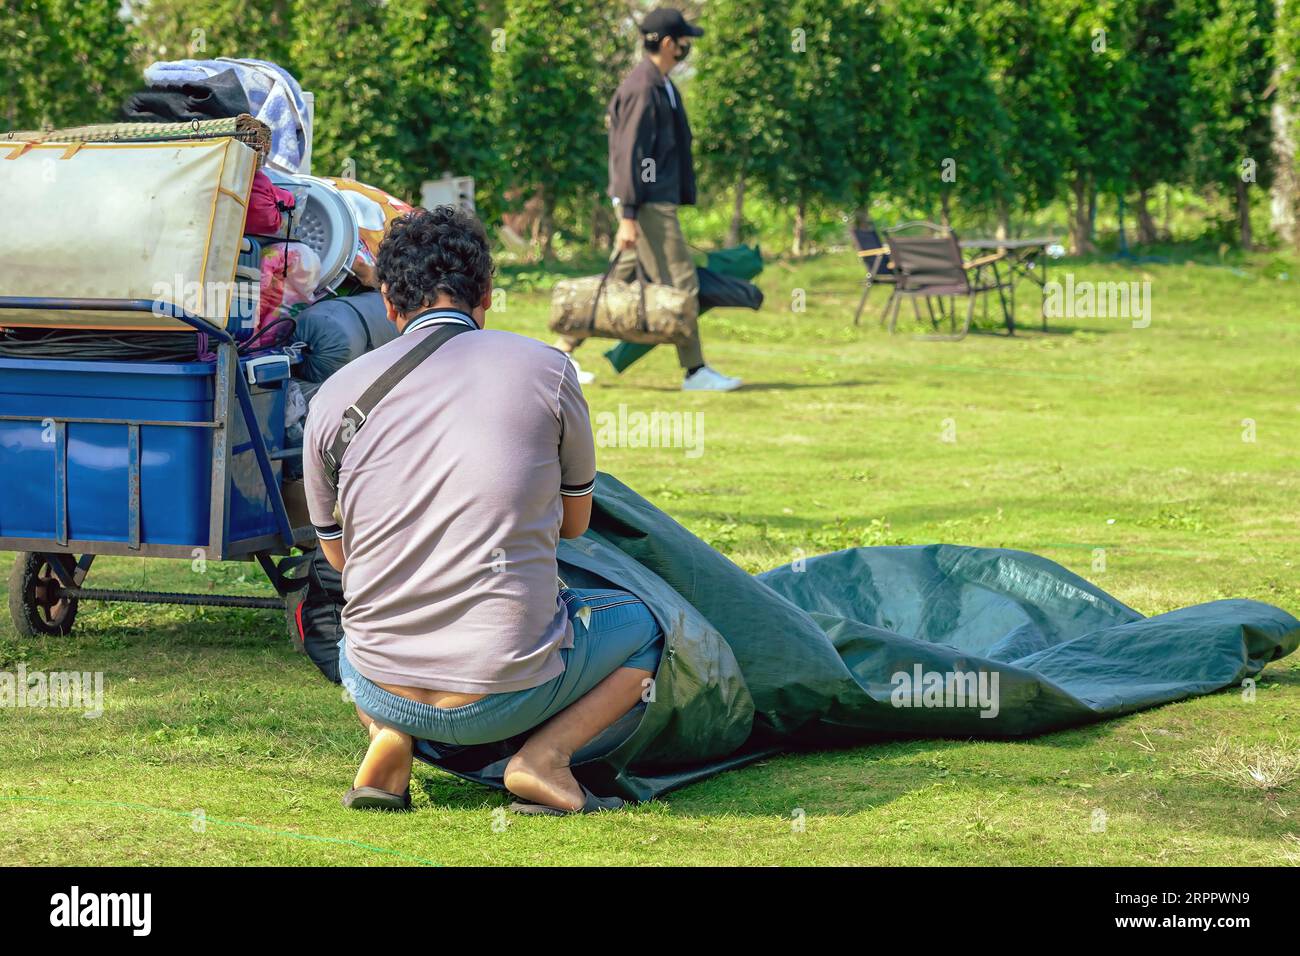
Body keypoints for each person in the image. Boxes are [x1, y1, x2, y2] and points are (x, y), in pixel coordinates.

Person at [302, 206, 663, 815]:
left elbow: (339, 555)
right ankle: (544, 759)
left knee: (352, 619)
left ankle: (388, 736)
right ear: (488, 294)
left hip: (374, 680)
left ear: (389, 301)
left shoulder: (336, 394)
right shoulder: (548, 370)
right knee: (650, 627)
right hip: (509, 692)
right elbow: (574, 525)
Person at [554, 6, 741, 392]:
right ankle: (696, 371)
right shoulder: (643, 87)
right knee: (682, 282)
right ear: (670, 43)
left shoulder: (662, 83)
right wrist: (630, 212)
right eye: (685, 40)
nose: (689, 46)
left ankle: (562, 355)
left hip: (651, 200)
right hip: (649, 202)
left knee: (618, 276)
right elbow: (632, 154)